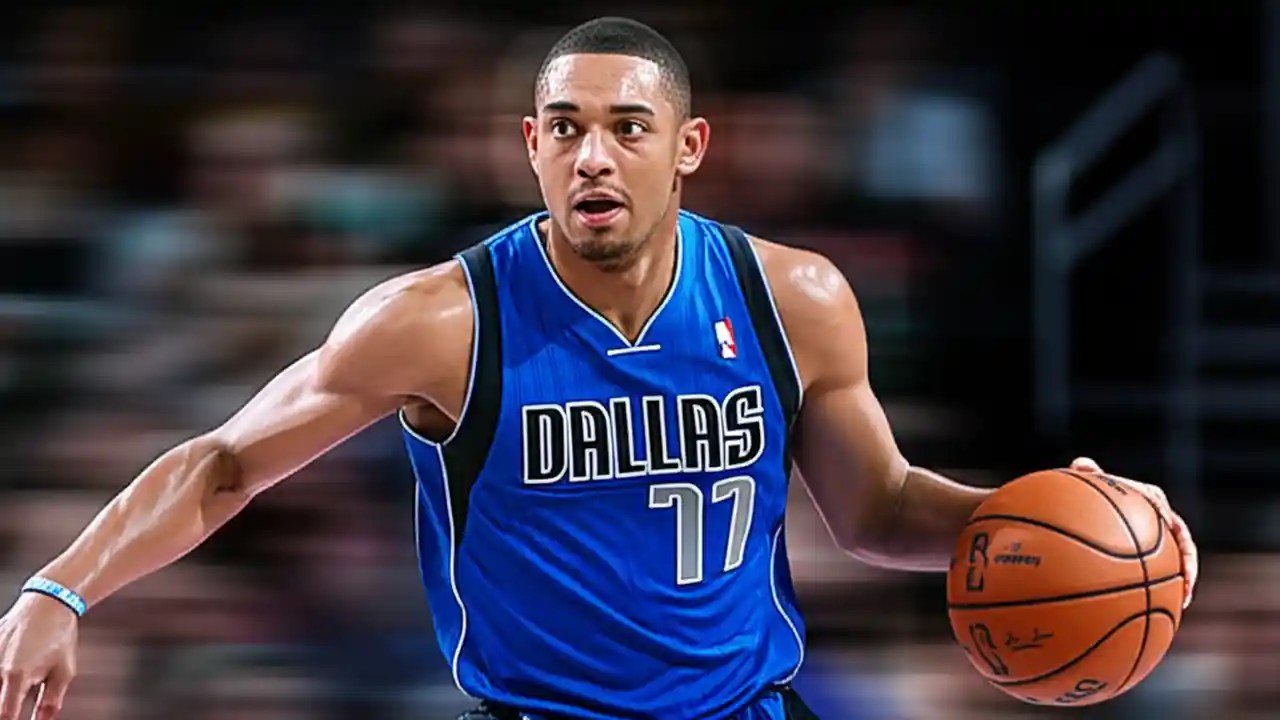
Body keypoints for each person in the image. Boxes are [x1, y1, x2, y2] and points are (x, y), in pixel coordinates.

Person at [0, 16, 1198, 720]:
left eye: (626, 127)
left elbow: (875, 511)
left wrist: (1050, 523)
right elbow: (222, 465)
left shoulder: (794, 299)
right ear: (529, 148)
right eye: (564, 126)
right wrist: (61, 589)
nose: (593, 154)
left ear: (685, 149)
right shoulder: (439, 323)